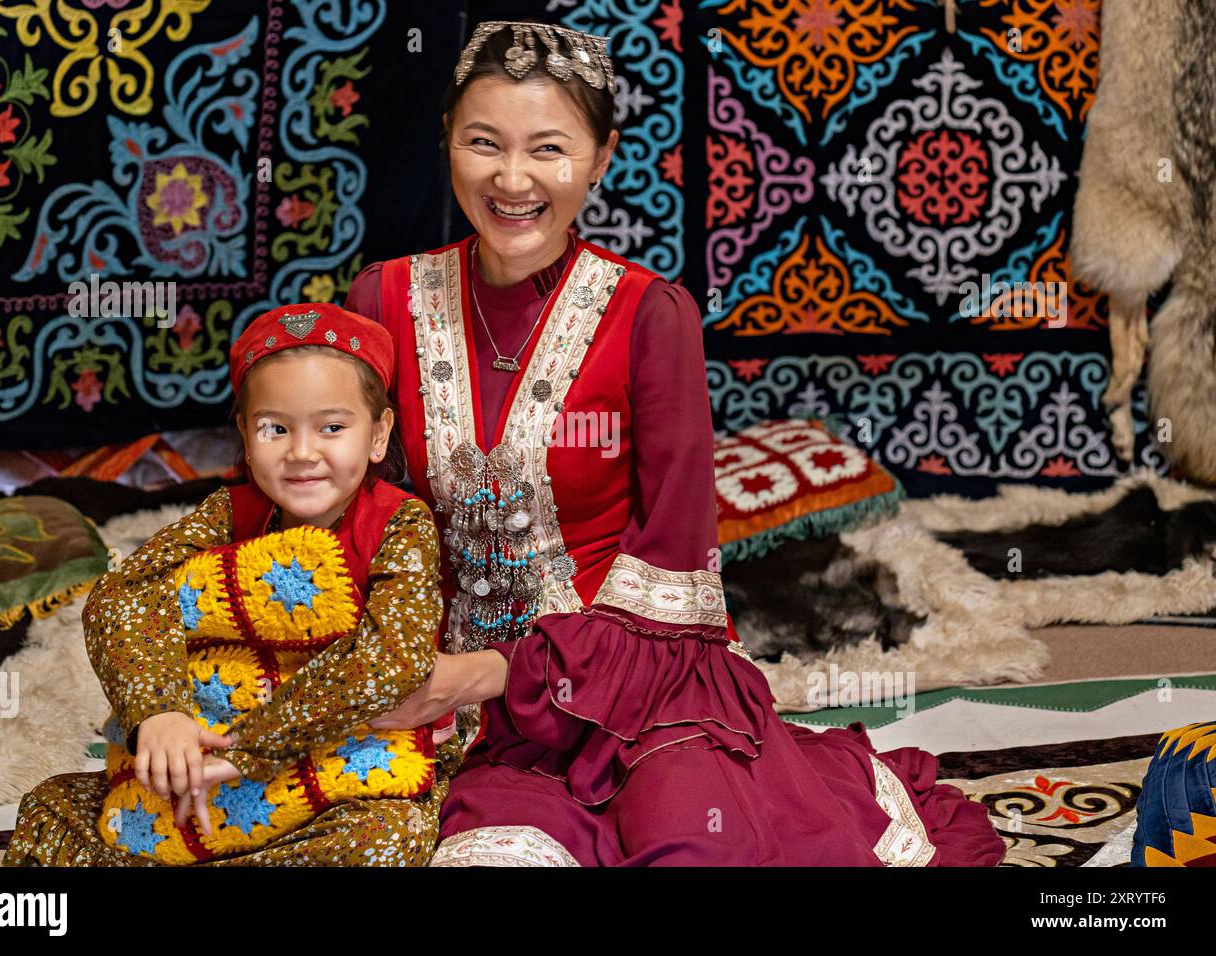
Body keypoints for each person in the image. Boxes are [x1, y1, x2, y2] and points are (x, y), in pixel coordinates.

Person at [346, 19, 1007, 865]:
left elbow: (671, 573)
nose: (512, 179)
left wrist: (497, 674)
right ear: (448, 140)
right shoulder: (384, 300)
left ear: (602, 156)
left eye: (549, 149)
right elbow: (354, 510)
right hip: (433, 693)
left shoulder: (651, 317)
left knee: (695, 847)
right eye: (484, 143)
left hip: (638, 690)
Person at [4, 304, 460, 866]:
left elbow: (391, 660)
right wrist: (160, 714)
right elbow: (124, 594)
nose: (301, 452)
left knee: (391, 836)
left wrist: (255, 747)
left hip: (345, 756)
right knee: (50, 810)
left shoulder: (399, 524)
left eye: (332, 427)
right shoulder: (227, 512)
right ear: (246, 436)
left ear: (379, 433)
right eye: (275, 428)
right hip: (217, 750)